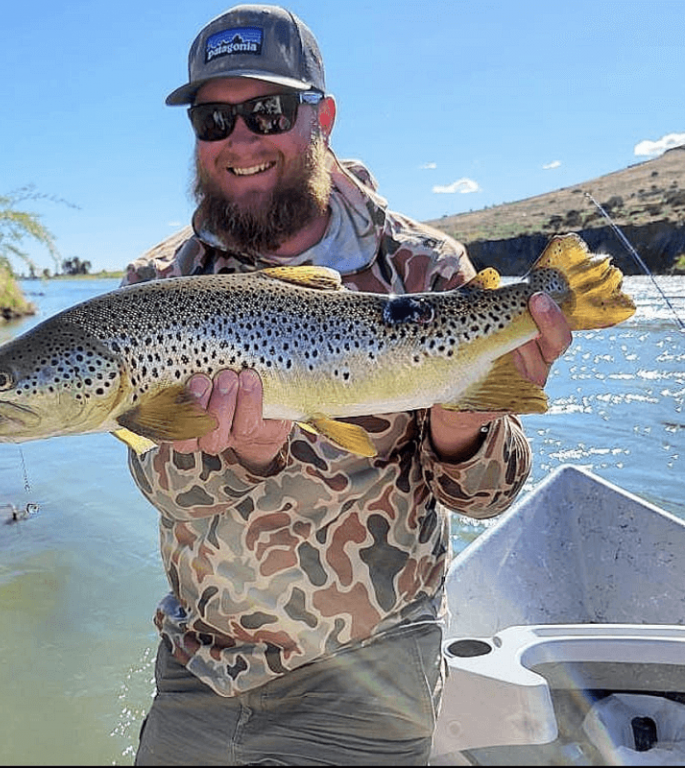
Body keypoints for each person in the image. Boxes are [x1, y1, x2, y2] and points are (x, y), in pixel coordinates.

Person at [122, 4, 572, 765]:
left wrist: (463, 423)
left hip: (372, 671)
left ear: (320, 116)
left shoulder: (428, 272)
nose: (240, 141)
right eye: (212, 119)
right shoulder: (159, 285)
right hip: (202, 663)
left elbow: (487, 498)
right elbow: (161, 485)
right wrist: (248, 453)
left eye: (266, 111)